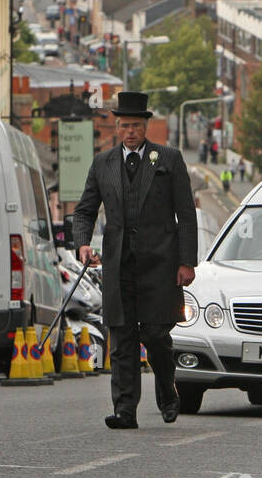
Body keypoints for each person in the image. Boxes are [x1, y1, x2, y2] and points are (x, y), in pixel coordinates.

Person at [73, 91, 198, 430]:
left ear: (146, 126)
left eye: (136, 125)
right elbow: (84, 211)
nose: (130, 131)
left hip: (160, 265)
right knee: (123, 338)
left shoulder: (168, 159)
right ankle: (125, 409)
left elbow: (185, 214)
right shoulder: (103, 163)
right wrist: (83, 244)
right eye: (125, 125)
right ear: (117, 127)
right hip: (119, 266)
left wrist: (187, 263)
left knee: (156, 335)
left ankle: (167, 393)